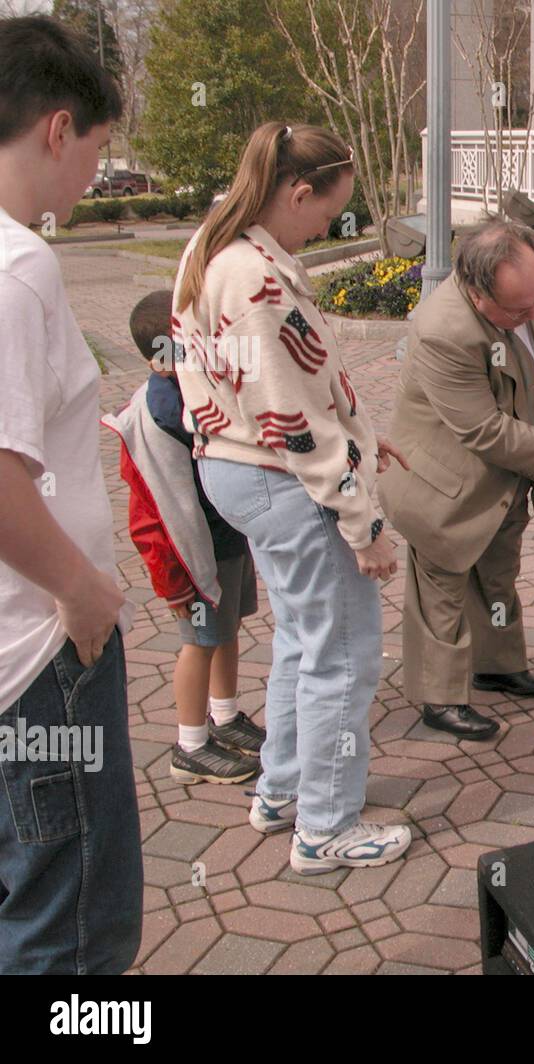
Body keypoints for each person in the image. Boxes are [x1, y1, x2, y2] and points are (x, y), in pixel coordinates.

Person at [173, 121, 411, 875]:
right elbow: (294, 420)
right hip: (284, 478)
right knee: (342, 656)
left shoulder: (218, 242)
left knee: (306, 645)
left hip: (239, 469)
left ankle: (281, 793)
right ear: (297, 191)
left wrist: (364, 441)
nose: (328, 229)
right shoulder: (259, 280)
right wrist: (364, 521)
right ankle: (327, 828)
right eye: (327, 213)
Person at [0, 14, 142, 973]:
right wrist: (82, 592)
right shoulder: (18, 268)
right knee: (75, 923)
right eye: (96, 149)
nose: (93, 174)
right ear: (59, 128)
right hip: (42, 656)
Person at [380, 218, 534, 740]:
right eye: (518, 310)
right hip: (445, 479)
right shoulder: (443, 329)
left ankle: (496, 664)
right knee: (442, 584)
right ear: (475, 289)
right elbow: (483, 431)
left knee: (497, 568)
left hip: (513, 470)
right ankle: (439, 698)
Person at [103, 291, 266, 785]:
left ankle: (225, 715)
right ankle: (190, 744)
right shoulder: (164, 408)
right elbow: (153, 512)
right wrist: (173, 583)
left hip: (226, 537)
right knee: (198, 643)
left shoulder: (191, 386)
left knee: (228, 630)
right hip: (194, 556)